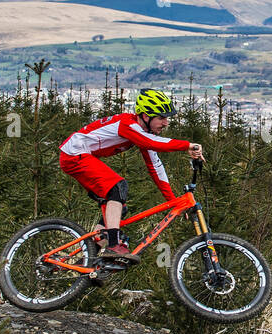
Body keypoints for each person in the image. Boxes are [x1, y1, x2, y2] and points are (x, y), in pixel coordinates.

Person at [59, 88, 204, 262]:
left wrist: (172, 200)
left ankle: (87, 263)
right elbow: (152, 143)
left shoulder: (141, 133)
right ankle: (113, 245)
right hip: (74, 154)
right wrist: (187, 145)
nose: (165, 123)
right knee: (117, 187)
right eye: (161, 117)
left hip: (79, 156)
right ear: (144, 115)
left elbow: (155, 167)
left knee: (118, 207)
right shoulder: (127, 125)